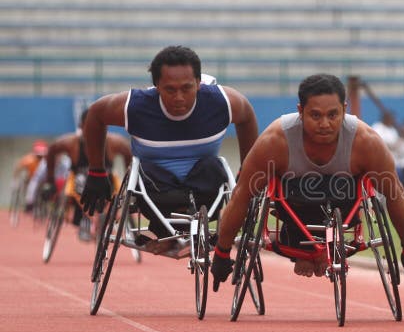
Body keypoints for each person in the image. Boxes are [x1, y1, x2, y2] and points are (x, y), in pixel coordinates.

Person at [211, 73, 404, 288]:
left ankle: (319, 249)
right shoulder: (276, 140)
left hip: (344, 208)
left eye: (333, 115)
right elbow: (242, 195)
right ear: (300, 111)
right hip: (294, 209)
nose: (325, 124)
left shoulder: (365, 142)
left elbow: (394, 193)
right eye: (315, 116)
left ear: (344, 109)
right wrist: (222, 250)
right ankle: (301, 246)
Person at [78, 45, 259, 246]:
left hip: (206, 195)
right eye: (170, 89)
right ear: (156, 86)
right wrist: (96, 172)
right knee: (145, 168)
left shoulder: (222, 102)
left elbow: (247, 117)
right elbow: (95, 115)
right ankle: (163, 226)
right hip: (155, 193)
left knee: (214, 165)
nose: (179, 97)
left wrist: (246, 173)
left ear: (199, 83)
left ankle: (173, 228)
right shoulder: (136, 106)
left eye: (186, 88)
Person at [41, 109, 132, 241]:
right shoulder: (71, 143)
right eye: (90, 128)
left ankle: (107, 218)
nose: (94, 133)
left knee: (112, 183)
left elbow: (128, 154)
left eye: (99, 128)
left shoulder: (114, 143)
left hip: (106, 182)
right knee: (80, 180)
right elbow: (52, 150)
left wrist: (129, 180)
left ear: (105, 129)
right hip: (79, 184)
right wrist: (50, 181)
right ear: (82, 128)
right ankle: (85, 220)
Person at [12, 140, 48, 211]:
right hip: (31, 178)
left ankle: (44, 202)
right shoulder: (29, 159)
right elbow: (18, 168)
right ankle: (29, 203)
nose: (40, 157)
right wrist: (15, 180)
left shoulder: (46, 160)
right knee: (30, 186)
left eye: (42, 155)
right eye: (39, 155)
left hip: (43, 179)